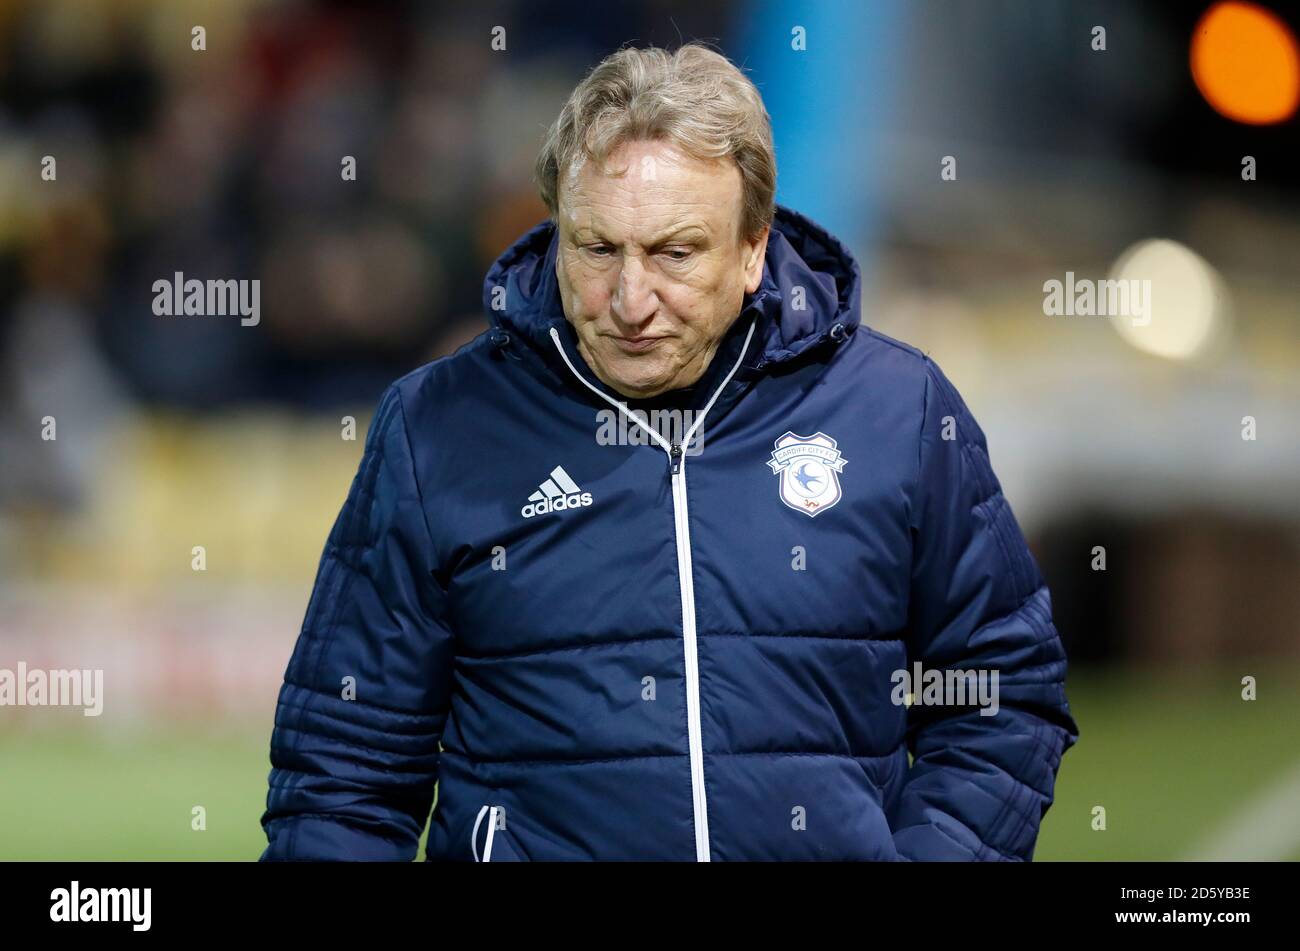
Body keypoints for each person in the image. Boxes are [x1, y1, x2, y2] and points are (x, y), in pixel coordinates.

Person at [260, 42, 1078, 862]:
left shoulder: (896, 414)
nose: (630, 300)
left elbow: (1000, 692)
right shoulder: (440, 427)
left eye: (674, 253)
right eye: (597, 249)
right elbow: (340, 765)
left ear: (754, 248)